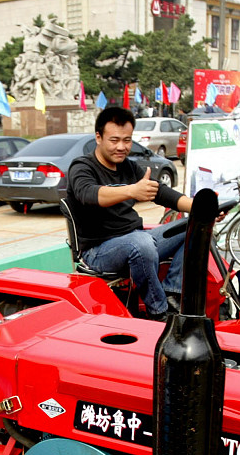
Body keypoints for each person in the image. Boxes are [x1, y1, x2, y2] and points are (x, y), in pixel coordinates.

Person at [68, 106, 194, 318]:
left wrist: (201, 208)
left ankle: (172, 293)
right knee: (140, 244)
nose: (121, 147)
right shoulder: (82, 167)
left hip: (136, 238)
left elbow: (161, 192)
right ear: (98, 137)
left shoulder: (128, 166)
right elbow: (89, 195)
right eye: (114, 140)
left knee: (196, 226)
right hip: (98, 252)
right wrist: (132, 190)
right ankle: (160, 312)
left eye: (127, 140)